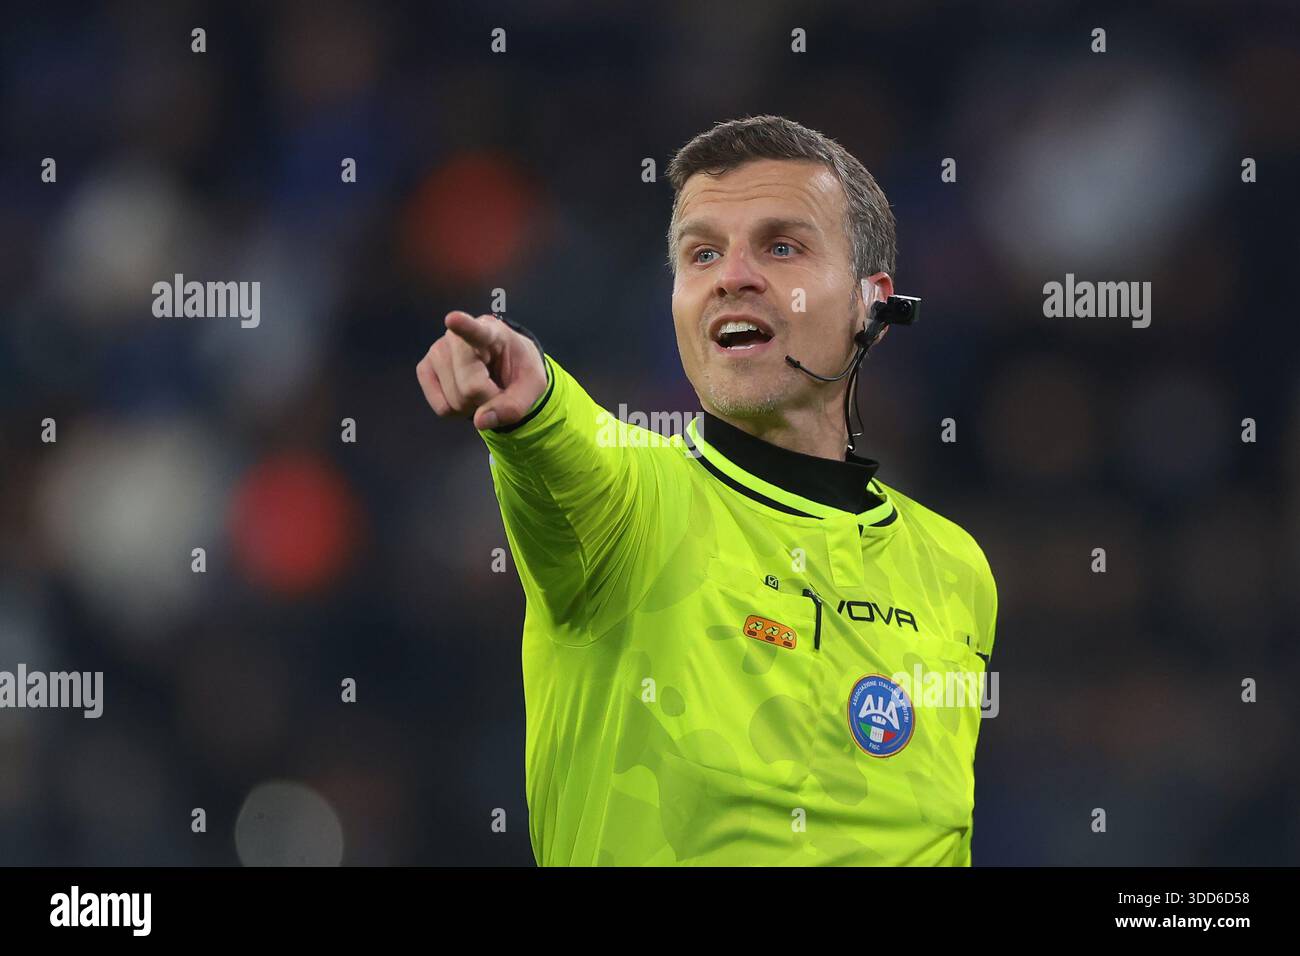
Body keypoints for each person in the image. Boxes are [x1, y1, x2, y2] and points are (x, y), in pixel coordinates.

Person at [416, 114, 998, 865]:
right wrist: (531, 397)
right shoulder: (629, 502)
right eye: (703, 254)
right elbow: (564, 441)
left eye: (782, 247)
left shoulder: (957, 567)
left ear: (870, 303)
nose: (733, 275)